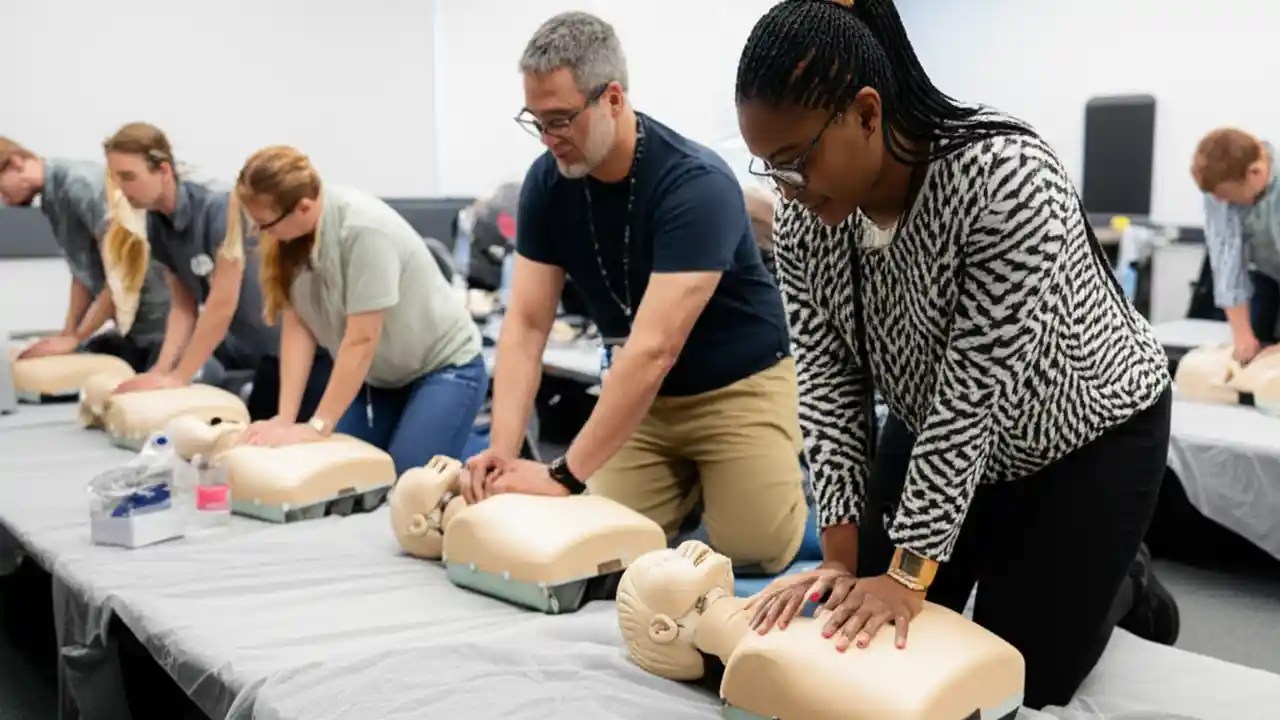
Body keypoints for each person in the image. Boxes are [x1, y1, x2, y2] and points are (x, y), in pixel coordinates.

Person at [734, 0, 1179, 710]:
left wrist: (907, 578)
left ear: (867, 115)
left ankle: (1128, 584)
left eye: (795, 161)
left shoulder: (1004, 177)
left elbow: (973, 397)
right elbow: (827, 384)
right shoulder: (805, 220)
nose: (786, 188)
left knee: (1023, 675)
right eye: (770, 169)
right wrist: (844, 565)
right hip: (928, 417)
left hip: (1083, 436)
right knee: (860, 631)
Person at [462, 11, 807, 576]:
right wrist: (504, 454)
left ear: (613, 99)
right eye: (536, 121)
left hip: (738, 387)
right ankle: (695, 493)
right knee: (595, 539)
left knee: (752, 551)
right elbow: (526, 324)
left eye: (561, 120)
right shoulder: (547, 185)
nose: (549, 139)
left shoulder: (696, 183)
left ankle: (837, 519)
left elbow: (655, 349)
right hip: (645, 399)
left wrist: (563, 475)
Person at [230, 146, 487, 474]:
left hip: (443, 367)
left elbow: (361, 340)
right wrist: (284, 418)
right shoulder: (293, 239)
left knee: (406, 479)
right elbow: (299, 329)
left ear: (304, 207)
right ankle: (444, 437)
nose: (262, 233)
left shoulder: (363, 231)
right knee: (342, 469)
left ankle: (478, 448)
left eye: (265, 224)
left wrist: (319, 425)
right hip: (383, 378)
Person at [101, 123, 331, 420]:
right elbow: (183, 307)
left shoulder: (217, 209)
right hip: (253, 352)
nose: (120, 188)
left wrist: (179, 376)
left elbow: (222, 302)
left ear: (164, 170)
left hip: (294, 349)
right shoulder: (157, 225)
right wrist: (160, 372)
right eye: (116, 178)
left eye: (128, 177)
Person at [0, 137, 169, 369]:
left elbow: (120, 272)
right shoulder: (54, 196)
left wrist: (76, 338)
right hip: (133, 329)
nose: (3, 202)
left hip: (160, 324)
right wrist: (68, 334)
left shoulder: (82, 185)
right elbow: (83, 272)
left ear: (16, 163)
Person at [1192, 128, 1279, 363]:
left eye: (1229, 196)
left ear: (1255, 173)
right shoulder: (1219, 188)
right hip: (1266, 273)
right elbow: (1226, 260)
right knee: (1253, 354)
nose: (1223, 203)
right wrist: (1243, 338)